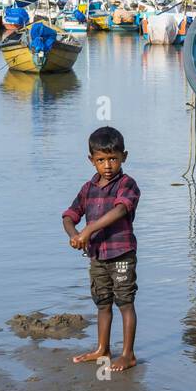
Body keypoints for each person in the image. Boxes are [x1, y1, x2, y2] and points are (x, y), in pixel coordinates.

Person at [63, 126, 141, 371]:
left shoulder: (127, 184)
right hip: (97, 256)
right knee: (102, 302)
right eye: (101, 160)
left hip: (121, 255)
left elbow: (120, 210)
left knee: (125, 301)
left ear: (123, 157)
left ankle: (128, 354)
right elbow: (69, 215)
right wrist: (75, 234)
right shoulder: (88, 189)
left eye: (113, 159)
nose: (107, 165)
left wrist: (89, 230)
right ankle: (102, 349)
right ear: (91, 160)